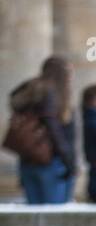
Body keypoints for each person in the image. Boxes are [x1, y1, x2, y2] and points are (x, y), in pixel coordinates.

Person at [6, 55, 77, 203]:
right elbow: (54, 129)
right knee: (55, 217)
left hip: (28, 160)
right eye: (68, 73)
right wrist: (69, 161)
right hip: (51, 162)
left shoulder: (30, 91)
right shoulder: (51, 93)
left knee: (35, 214)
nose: (71, 78)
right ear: (60, 74)